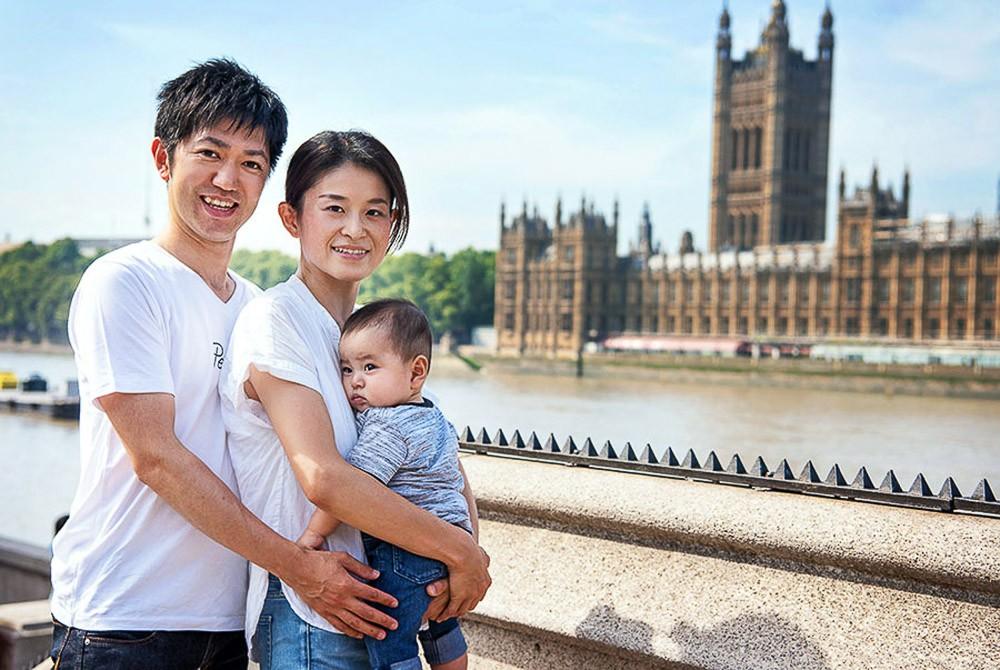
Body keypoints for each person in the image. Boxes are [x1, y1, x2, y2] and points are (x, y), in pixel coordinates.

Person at [47, 60, 477, 670]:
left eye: (251, 163)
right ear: (163, 158)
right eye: (210, 154)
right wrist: (303, 564)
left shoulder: (256, 304)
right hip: (125, 614)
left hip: (223, 616)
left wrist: (462, 544)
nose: (228, 179)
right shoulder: (125, 281)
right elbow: (157, 459)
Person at [219, 130, 490, 670]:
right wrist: (461, 553)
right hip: (315, 611)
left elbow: (437, 454)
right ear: (293, 219)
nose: (355, 229)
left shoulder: (376, 332)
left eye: (374, 212)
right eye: (335, 208)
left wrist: (465, 555)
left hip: (389, 606)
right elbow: (324, 478)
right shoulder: (278, 321)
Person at [297, 298, 475, 670]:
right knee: (441, 628)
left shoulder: (389, 426)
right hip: (446, 544)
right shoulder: (435, 418)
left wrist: (312, 537)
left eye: (370, 367)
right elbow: (456, 482)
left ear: (416, 373)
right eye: (346, 369)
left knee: (389, 638)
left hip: (404, 552)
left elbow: (353, 488)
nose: (355, 380)